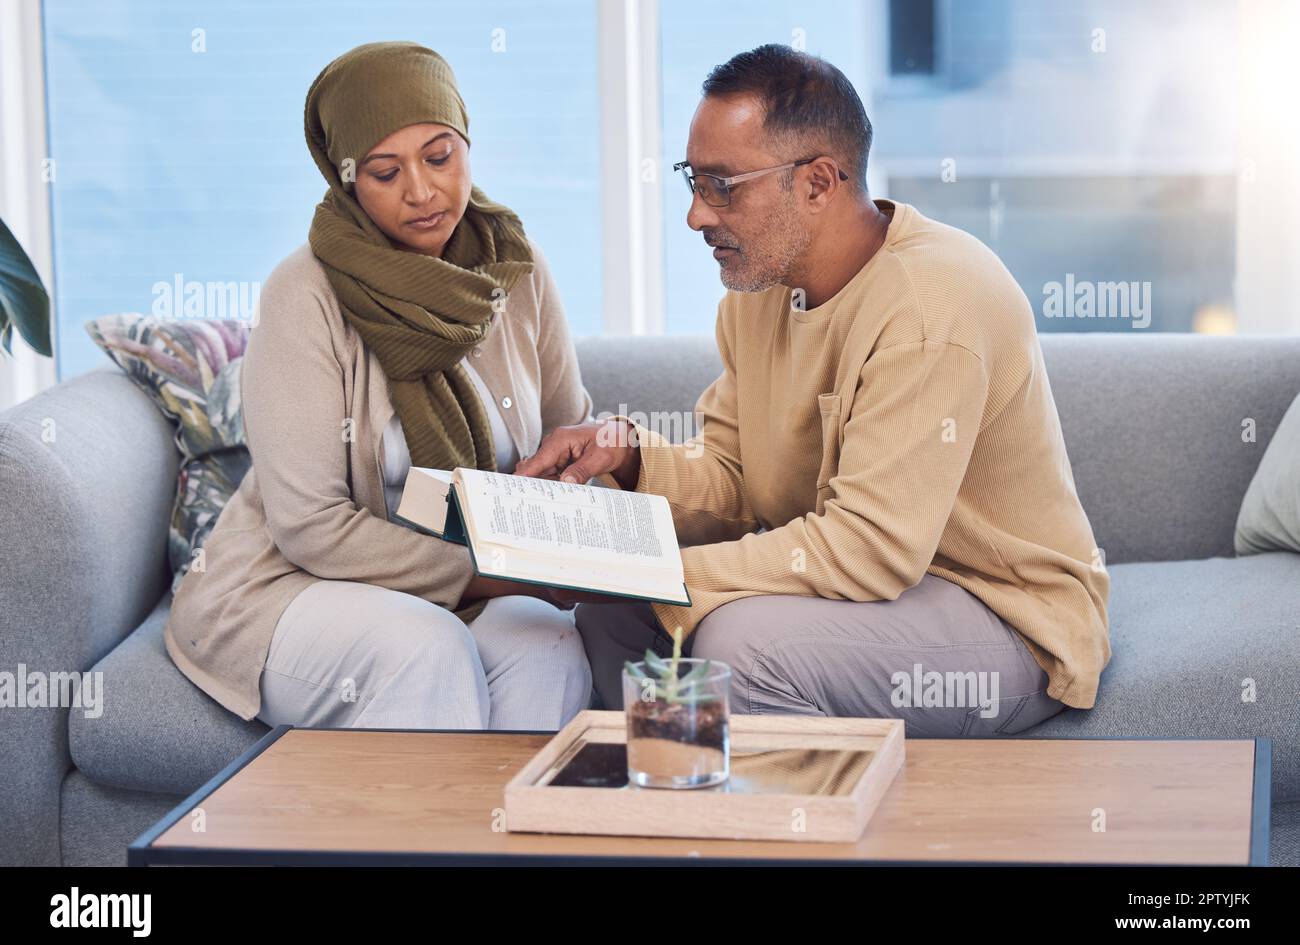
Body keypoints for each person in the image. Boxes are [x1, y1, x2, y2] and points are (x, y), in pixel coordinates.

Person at [517, 44, 1111, 736]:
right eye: (693, 181)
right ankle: (669, 795)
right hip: (876, 596)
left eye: (723, 185)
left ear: (819, 183)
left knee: (742, 647)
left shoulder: (931, 306)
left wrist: (659, 570)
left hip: (1001, 613)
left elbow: (869, 548)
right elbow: (737, 480)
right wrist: (629, 457)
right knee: (612, 615)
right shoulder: (760, 292)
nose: (696, 216)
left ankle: (777, 807)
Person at [164, 41, 593, 731]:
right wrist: (498, 571)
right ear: (347, 180)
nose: (421, 191)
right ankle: (425, 811)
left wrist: (590, 506)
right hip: (291, 585)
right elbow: (310, 526)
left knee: (548, 643)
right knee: (425, 648)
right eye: (386, 172)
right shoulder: (302, 293)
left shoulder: (517, 269)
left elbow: (568, 440)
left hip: (462, 587)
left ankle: (506, 808)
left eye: (439, 157)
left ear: (467, 146)